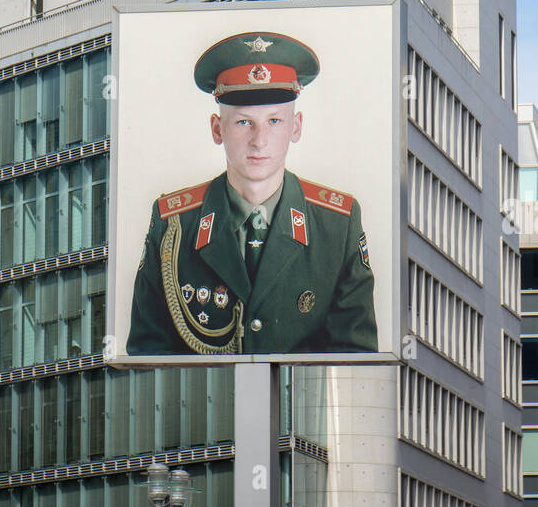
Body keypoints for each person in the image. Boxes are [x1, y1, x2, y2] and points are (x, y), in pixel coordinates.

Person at [127, 30, 377, 355]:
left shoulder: (337, 224)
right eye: (244, 122)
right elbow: (148, 358)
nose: (259, 140)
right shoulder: (173, 223)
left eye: (274, 121)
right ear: (218, 129)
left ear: (296, 127)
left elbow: (355, 360)